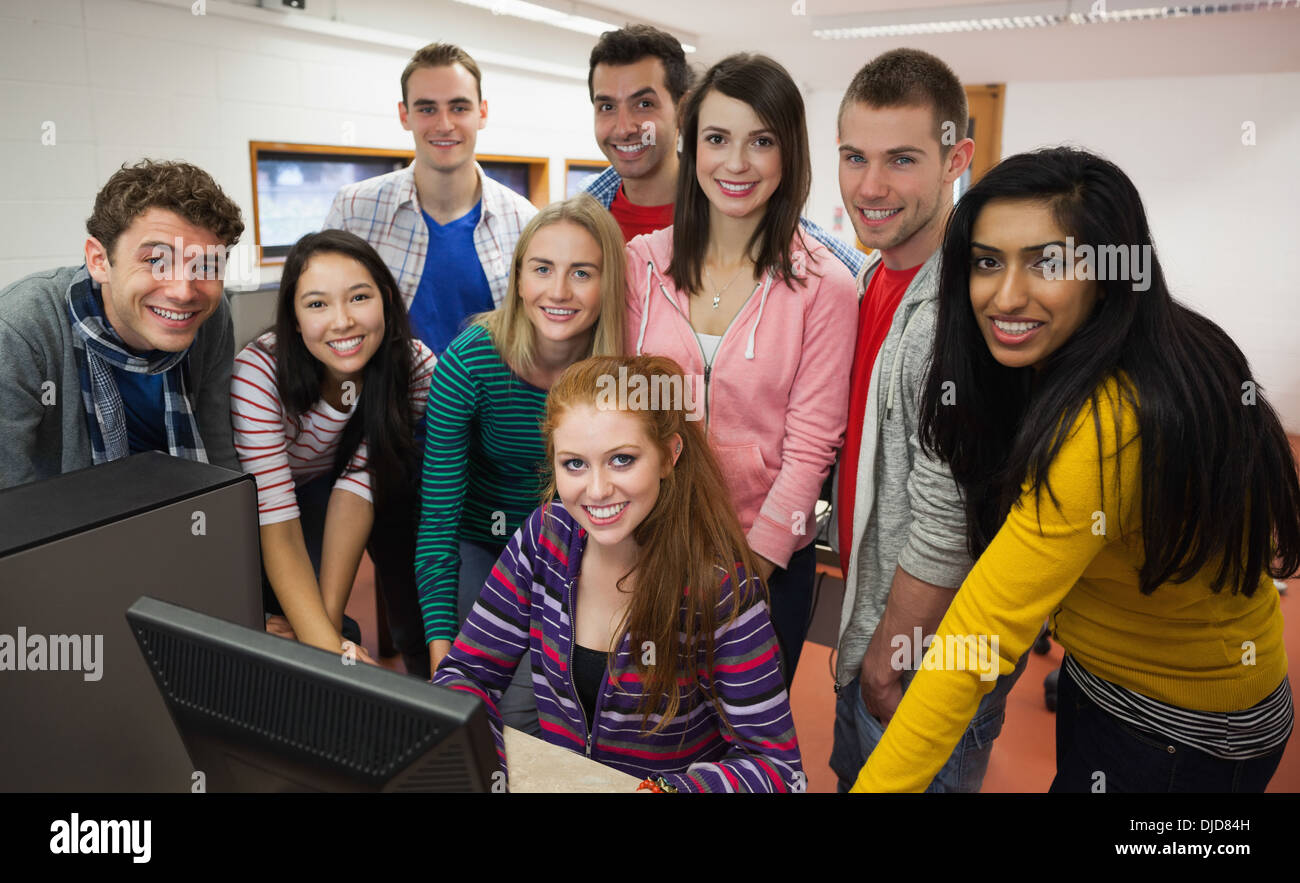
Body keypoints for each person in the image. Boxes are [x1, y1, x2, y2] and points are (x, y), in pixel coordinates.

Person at [852, 146, 1298, 792]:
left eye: (1048, 263)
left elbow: (980, 633)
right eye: (986, 262)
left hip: (1179, 731)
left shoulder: (1107, 424)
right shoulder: (1157, 341)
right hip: (1122, 680)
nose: (1006, 295)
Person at [432, 354, 803, 792]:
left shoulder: (719, 588)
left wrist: (666, 791)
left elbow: (778, 770)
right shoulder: (544, 536)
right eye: (574, 464)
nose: (597, 489)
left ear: (669, 456)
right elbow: (465, 674)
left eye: (622, 460)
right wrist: (484, 765)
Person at [828, 48, 1026, 794]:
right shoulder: (874, 275)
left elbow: (947, 515)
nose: (870, 187)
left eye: (902, 159)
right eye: (854, 156)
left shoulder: (961, 311)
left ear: (957, 158)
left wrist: (887, 653)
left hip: (924, 652)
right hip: (880, 622)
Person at [625, 53, 858, 687]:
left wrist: (747, 575)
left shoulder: (825, 285)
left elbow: (811, 448)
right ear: (689, 146)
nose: (736, 163)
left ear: (789, 154)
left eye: (761, 141)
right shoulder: (640, 264)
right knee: (648, 741)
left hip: (764, 566)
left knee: (741, 758)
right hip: (646, 549)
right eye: (717, 139)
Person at [416, 194, 625, 731]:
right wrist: (444, 660)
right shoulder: (469, 361)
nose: (558, 291)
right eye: (542, 269)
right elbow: (438, 523)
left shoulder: (620, 373)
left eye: (582, 272)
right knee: (486, 698)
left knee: (549, 705)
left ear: (609, 284)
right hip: (481, 539)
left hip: (577, 543)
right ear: (518, 277)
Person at [231, 230, 436, 674]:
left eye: (359, 297)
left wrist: (323, 629)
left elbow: (359, 485)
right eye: (317, 304)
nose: (342, 321)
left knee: (405, 497)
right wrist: (326, 642)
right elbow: (276, 518)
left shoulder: (414, 365)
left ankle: (424, 665)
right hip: (263, 513)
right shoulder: (259, 372)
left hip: (339, 494)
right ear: (294, 316)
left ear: (385, 298)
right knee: (316, 633)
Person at [0, 159, 243, 489]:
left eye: (207, 265)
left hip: (180, 513)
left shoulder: (212, 317)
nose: (184, 292)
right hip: (64, 529)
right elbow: (10, 498)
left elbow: (218, 450)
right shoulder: (21, 328)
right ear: (99, 261)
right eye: (156, 260)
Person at [583, 27, 864, 277]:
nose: (623, 128)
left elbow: (859, 272)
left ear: (684, 111)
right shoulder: (582, 213)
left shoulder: (736, 200)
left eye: (644, 104)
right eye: (606, 107)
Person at [324, 42, 538, 356]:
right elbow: (321, 312)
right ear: (404, 115)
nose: (444, 124)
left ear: (482, 113)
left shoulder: (524, 222)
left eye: (459, 107)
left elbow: (535, 336)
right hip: (384, 402)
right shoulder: (353, 209)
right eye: (427, 109)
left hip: (489, 404)